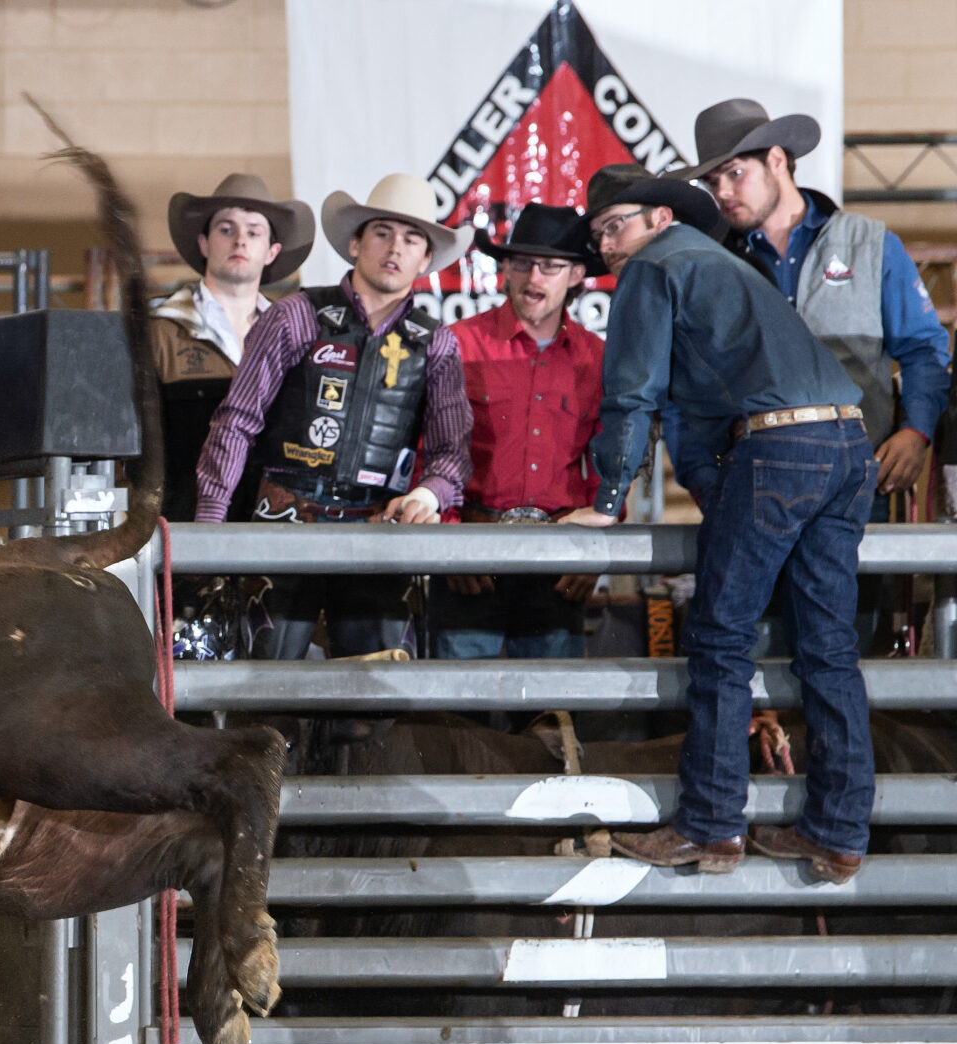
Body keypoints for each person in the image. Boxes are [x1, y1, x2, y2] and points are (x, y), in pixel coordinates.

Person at [562, 166, 874, 884]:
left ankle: (710, 824)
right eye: (601, 231)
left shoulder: (653, 268)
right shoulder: (727, 270)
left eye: (619, 224)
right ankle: (838, 831)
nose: (609, 243)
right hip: (846, 442)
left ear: (661, 220)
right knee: (827, 646)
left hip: (776, 450)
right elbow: (699, 407)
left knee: (720, 635)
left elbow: (633, 389)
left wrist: (609, 495)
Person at [195, 173, 472, 659]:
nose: (395, 248)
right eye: (383, 232)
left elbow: (453, 453)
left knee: (379, 697)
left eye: (412, 239)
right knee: (265, 688)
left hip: (377, 526)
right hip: (283, 516)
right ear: (355, 242)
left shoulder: (436, 344)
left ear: (426, 259)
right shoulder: (296, 315)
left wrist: (431, 492)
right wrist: (210, 527)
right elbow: (237, 420)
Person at [688, 98, 950, 516]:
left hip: (860, 479)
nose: (722, 192)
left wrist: (915, 432)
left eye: (735, 174)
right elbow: (688, 384)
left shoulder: (871, 244)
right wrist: (703, 476)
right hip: (752, 486)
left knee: (861, 583)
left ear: (776, 160)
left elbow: (923, 350)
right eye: (712, 182)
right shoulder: (709, 265)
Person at [430, 205, 608, 660]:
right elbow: (427, 446)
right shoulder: (456, 343)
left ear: (575, 275)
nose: (535, 278)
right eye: (524, 262)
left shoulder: (598, 357)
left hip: (560, 557)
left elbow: (610, 459)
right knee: (456, 716)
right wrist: (446, 542)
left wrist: (598, 548)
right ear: (504, 267)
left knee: (552, 714)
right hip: (469, 550)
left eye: (551, 266)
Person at [152, 173, 313, 521]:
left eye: (254, 232)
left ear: (272, 251)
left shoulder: (299, 341)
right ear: (204, 243)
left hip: (275, 533)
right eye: (226, 229)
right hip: (182, 528)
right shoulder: (160, 332)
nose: (240, 240)